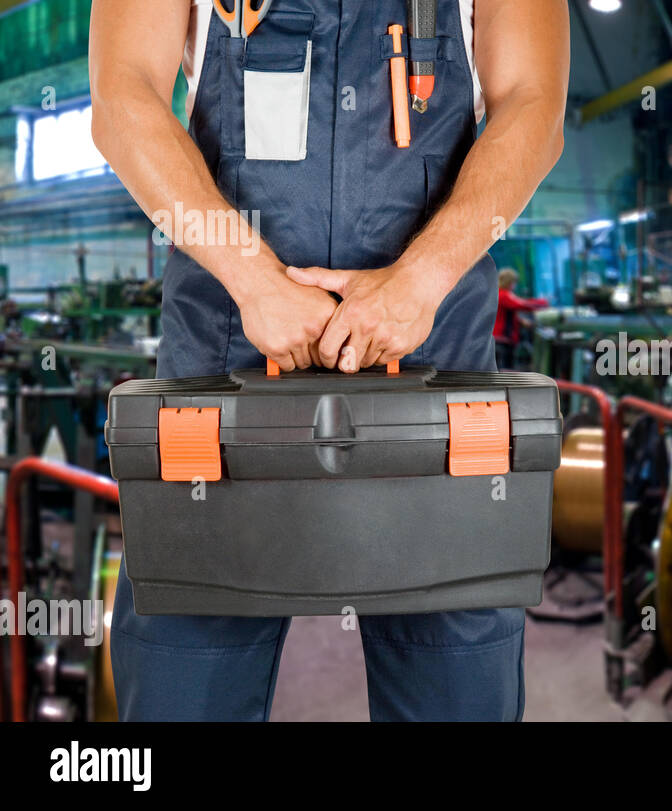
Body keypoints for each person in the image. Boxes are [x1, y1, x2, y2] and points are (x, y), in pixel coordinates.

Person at [88, 0, 568, 721]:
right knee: (185, 674)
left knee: (456, 679)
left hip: (431, 346)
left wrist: (419, 283)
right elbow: (122, 95)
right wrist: (253, 280)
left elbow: (533, 104)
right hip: (225, 342)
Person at [493, 268, 548, 369]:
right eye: (514, 282)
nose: (515, 286)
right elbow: (522, 305)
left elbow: (503, 315)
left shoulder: (497, 293)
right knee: (505, 369)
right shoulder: (504, 295)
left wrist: (521, 322)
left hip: (498, 338)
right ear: (510, 282)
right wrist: (543, 303)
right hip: (503, 339)